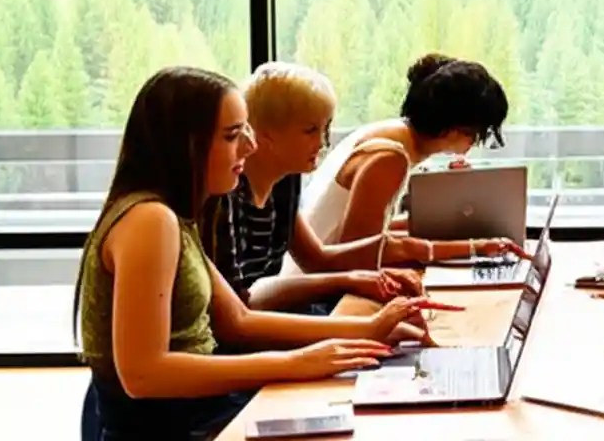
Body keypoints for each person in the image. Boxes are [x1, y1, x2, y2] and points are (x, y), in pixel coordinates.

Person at [75, 66, 426, 440]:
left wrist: (370, 328)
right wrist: (293, 363)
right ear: (186, 143)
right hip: (172, 424)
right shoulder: (150, 220)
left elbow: (239, 317)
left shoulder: (176, 216)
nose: (250, 145)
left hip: (199, 410)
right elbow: (143, 375)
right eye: (232, 135)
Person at [202, 62, 424, 316]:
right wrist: (351, 280)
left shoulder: (285, 179)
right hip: (255, 328)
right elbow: (241, 305)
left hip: (279, 314)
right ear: (265, 134)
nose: (323, 142)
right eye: (310, 130)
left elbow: (317, 259)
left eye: (326, 128)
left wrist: (396, 260)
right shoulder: (226, 194)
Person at [295, 53, 525, 264]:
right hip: (319, 295)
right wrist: (471, 248)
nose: (475, 142)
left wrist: (449, 214)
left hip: (323, 278)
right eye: (477, 132)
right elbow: (360, 250)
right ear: (456, 128)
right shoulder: (389, 158)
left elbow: (371, 233)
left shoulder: (392, 135)